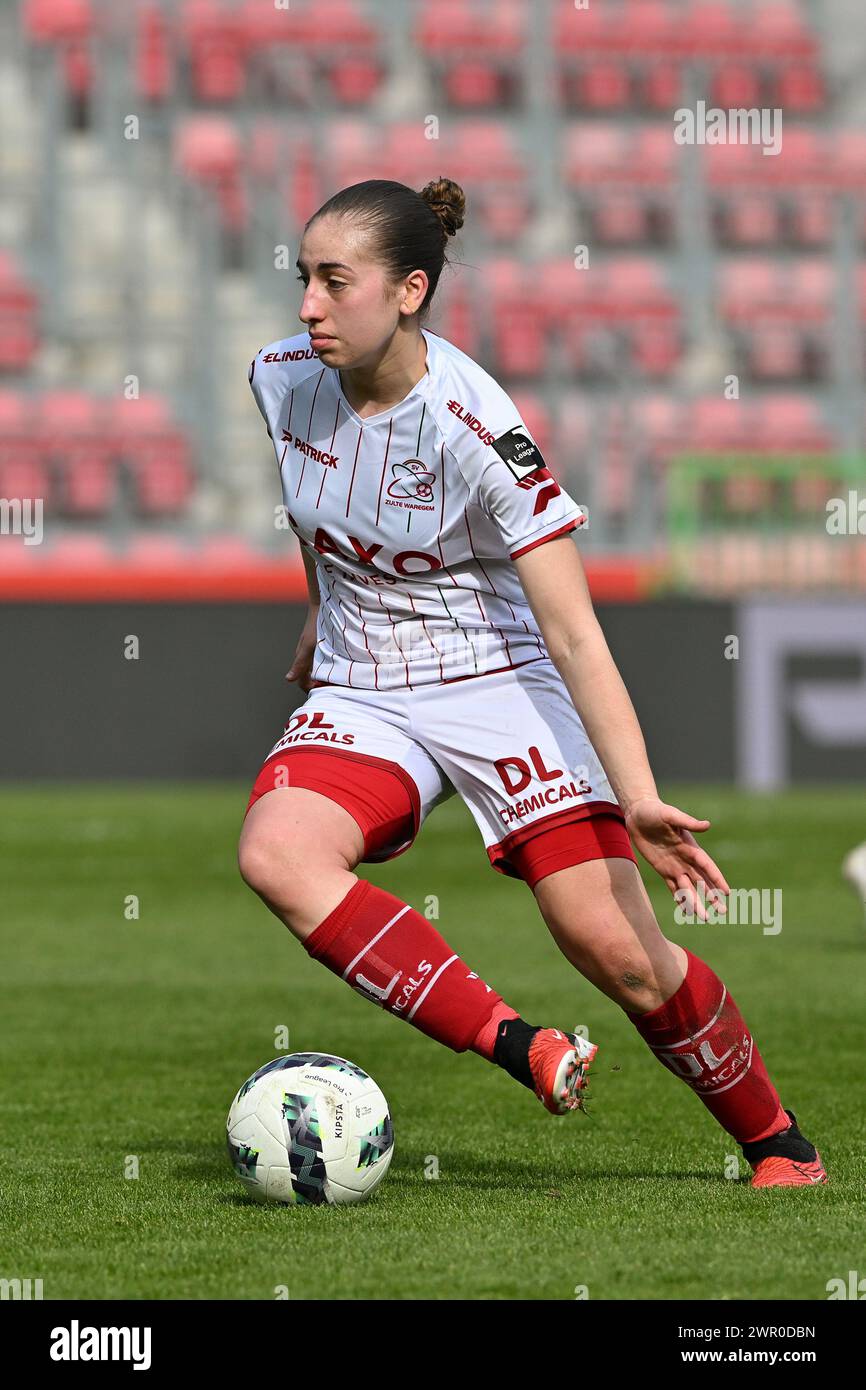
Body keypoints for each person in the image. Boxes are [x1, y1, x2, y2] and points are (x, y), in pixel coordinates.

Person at [238, 176, 826, 1188]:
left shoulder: (476, 426)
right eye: (303, 278)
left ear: (410, 289)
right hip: (365, 682)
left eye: (335, 281)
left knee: (616, 949)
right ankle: (521, 1044)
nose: (307, 305)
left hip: (496, 676)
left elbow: (571, 630)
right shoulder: (277, 376)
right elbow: (316, 515)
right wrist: (319, 609)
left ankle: (776, 1143)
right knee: (278, 854)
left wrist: (635, 793)